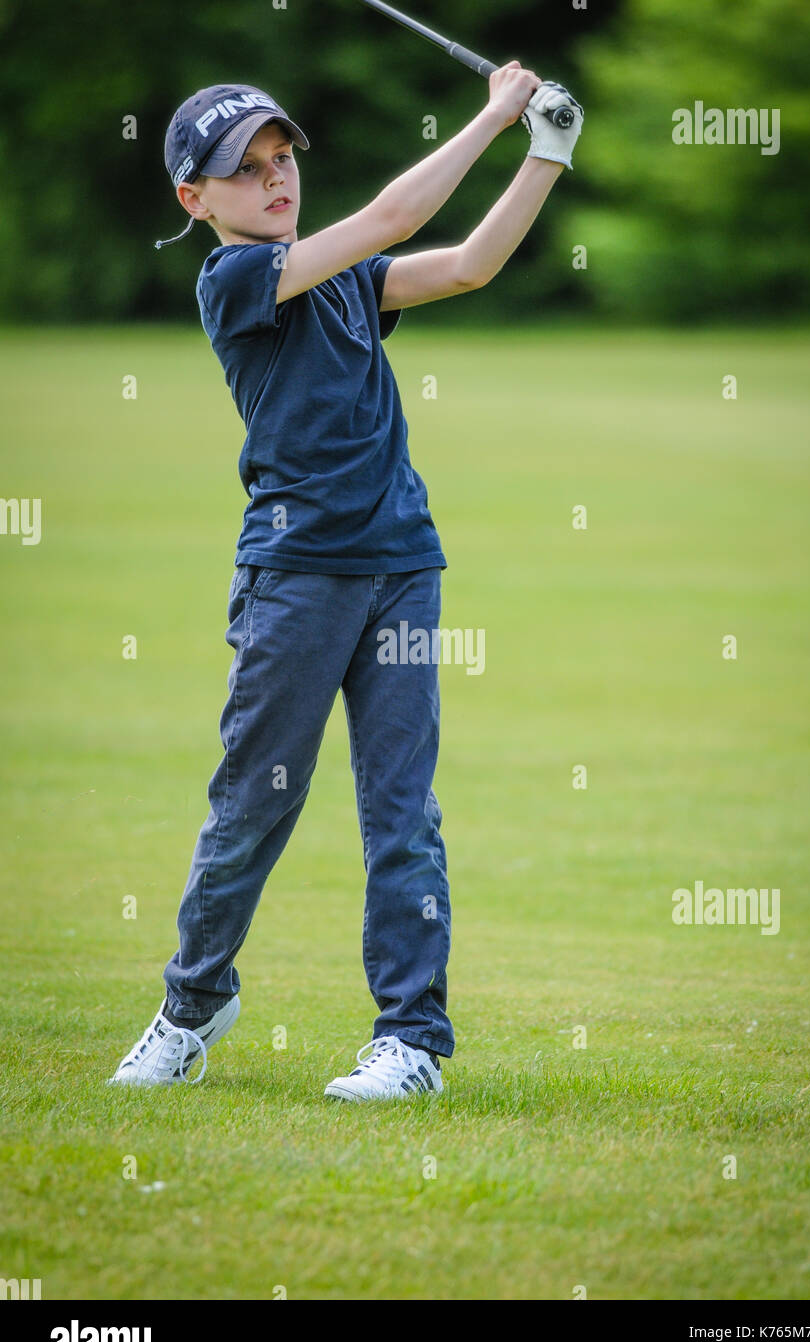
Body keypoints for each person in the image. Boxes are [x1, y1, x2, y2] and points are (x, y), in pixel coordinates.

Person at [107, 63, 582, 1101]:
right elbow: (390, 213)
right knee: (253, 804)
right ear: (195, 198)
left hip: (401, 569)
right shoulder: (233, 282)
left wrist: (545, 154)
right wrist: (494, 114)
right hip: (295, 578)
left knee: (401, 810)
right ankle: (192, 1004)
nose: (275, 181)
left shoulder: (348, 280)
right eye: (246, 171)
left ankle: (411, 1040)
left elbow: (463, 265)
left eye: (281, 161)